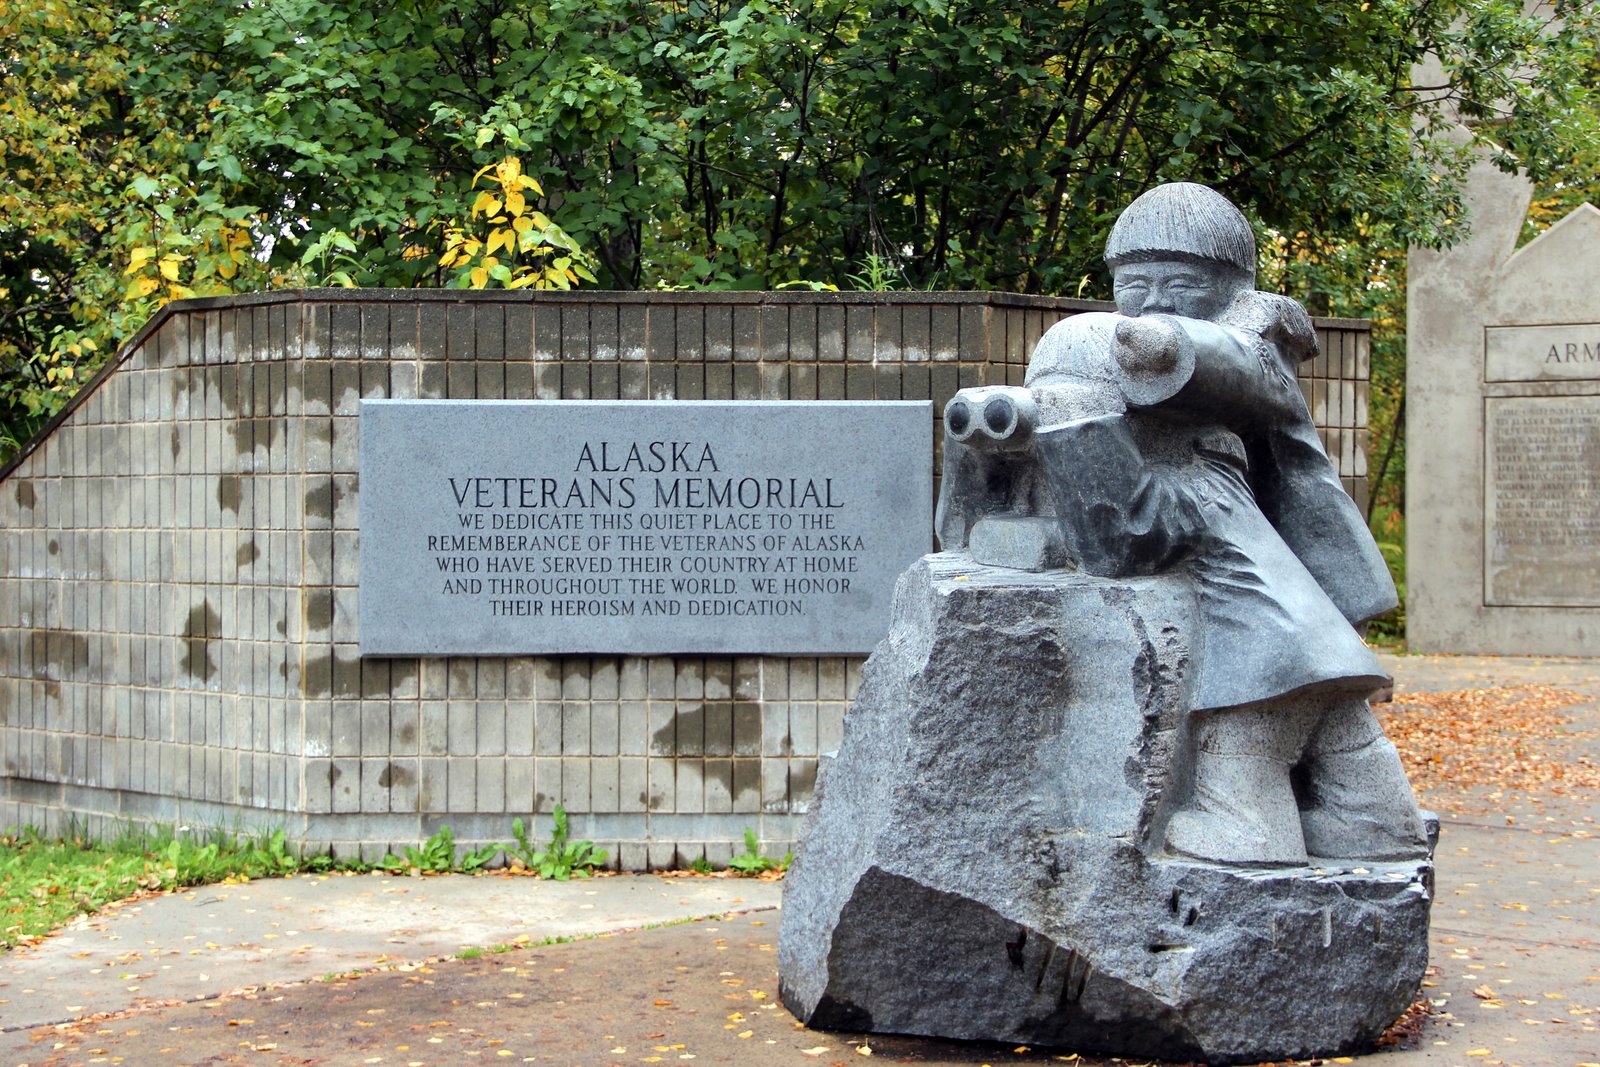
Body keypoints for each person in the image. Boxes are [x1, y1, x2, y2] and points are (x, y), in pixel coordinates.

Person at [940, 183, 1428, 867]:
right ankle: (1379, 824)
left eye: (1178, 283)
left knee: (1243, 784)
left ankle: (1252, 830)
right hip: (1316, 642)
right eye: (1133, 285)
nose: (1152, 300)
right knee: (1352, 757)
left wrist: (1078, 417)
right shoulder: (1215, 468)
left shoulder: (1244, 372)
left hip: (1260, 668)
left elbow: (1125, 536)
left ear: (1228, 286)